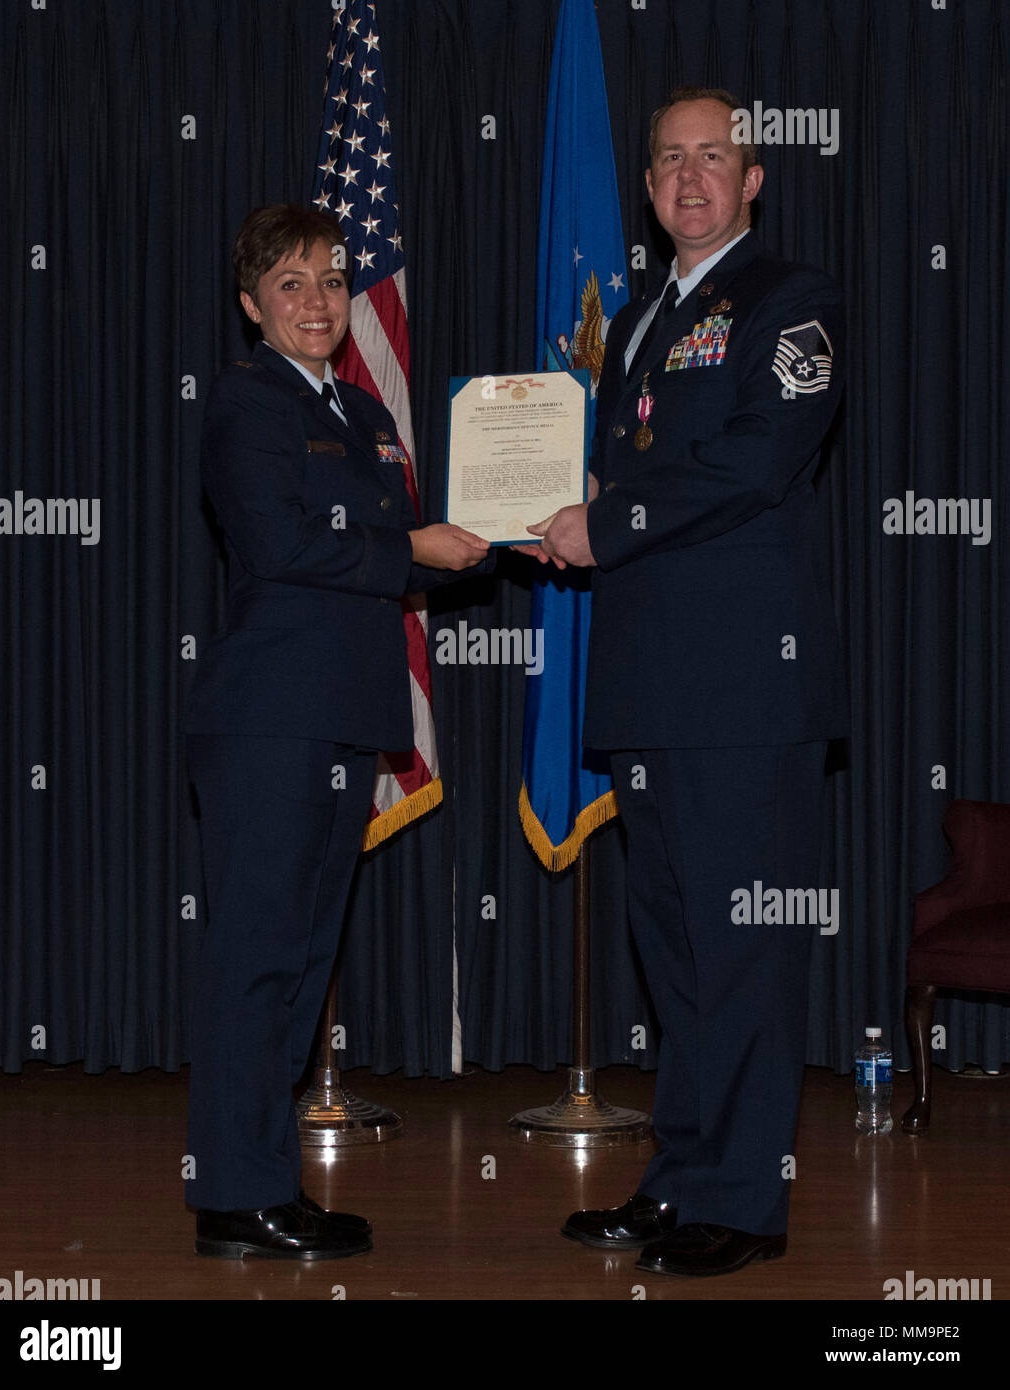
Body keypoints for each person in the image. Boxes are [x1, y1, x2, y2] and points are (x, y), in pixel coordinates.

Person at [522, 88, 847, 1277]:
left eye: (713, 156)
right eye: (668, 160)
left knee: (742, 952)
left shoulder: (788, 299)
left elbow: (757, 457)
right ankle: (681, 1173)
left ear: (752, 176)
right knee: (677, 956)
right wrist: (536, 510)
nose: (690, 177)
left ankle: (743, 1205)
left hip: (741, 697)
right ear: (649, 185)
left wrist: (607, 521)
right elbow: (610, 465)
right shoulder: (640, 319)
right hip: (650, 691)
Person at [183, 204, 489, 1260]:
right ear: (251, 307)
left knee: (303, 960)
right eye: (289, 284)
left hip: (340, 719)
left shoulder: (362, 414)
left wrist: (487, 533)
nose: (315, 301)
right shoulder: (246, 402)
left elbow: (398, 554)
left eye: (328, 279)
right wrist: (410, 540)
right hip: (271, 720)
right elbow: (281, 542)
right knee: (257, 959)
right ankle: (230, 1194)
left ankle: (265, 1180)